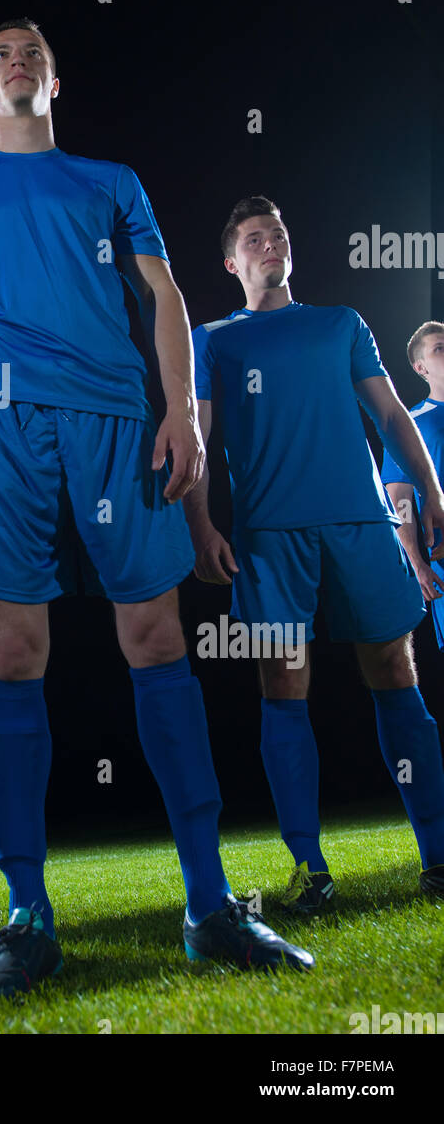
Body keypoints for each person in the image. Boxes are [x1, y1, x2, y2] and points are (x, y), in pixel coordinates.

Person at [0, 20, 313, 1000]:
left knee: (157, 639)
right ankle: (27, 919)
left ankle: (209, 907)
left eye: (32, 53)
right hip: (4, 428)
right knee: (11, 653)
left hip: (118, 421)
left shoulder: (110, 181)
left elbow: (165, 296)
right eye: (0, 54)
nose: (17, 61)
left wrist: (182, 409)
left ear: (55, 80)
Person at [186, 197, 444, 913]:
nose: (269, 243)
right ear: (231, 261)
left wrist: (431, 491)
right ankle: (310, 868)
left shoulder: (341, 323)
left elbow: (390, 413)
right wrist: (201, 526)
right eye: (253, 238)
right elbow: (198, 439)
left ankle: (438, 855)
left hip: (361, 521)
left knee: (394, 669)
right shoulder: (213, 339)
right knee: (282, 683)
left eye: (277, 234)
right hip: (269, 536)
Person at [382, 321, 444, 655]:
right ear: (421, 368)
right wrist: (418, 563)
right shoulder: (410, 425)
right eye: (440, 349)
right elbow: (399, 499)